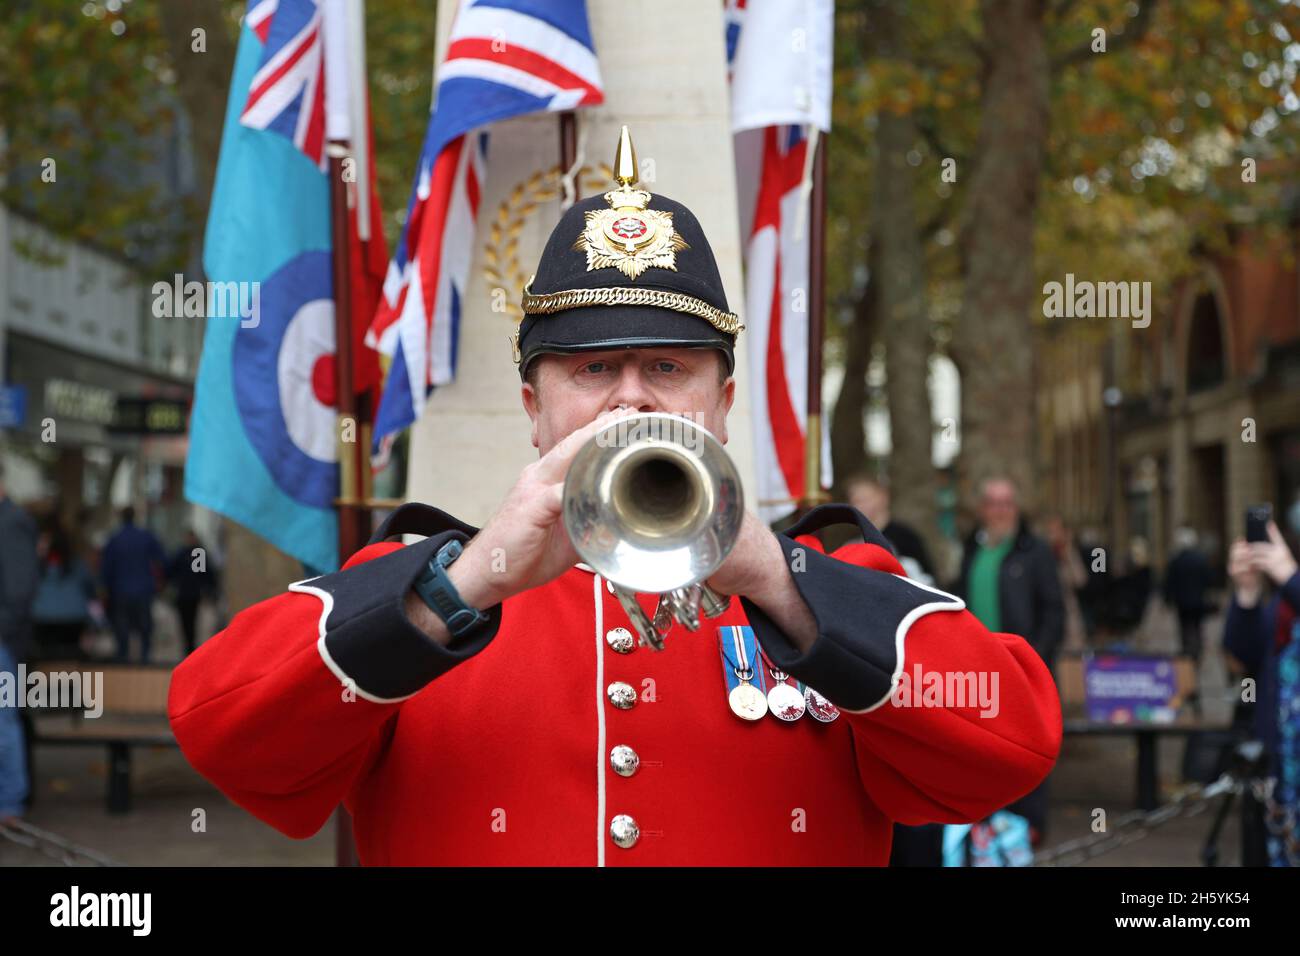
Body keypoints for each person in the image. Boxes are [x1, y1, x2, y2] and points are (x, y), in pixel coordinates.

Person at [168, 129, 1062, 865]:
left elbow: (1013, 741)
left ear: (721, 403)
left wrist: (778, 580)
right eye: (593, 369)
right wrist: (464, 584)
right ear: (534, 406)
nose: (631, 397)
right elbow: (222, 734)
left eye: (667, 368)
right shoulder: (419, 592)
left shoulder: (829, 580)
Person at [953, 477, 1064, 844]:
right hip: (977, 672)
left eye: (1007, 504)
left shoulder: (1034, 552)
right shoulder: (972, 549)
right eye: (992, 503)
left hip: (1023, 673)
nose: (1000, 511)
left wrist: (1036, 661)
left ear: (1016, 509)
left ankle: (1028, 828)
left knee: (1026, 751)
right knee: (983, 751)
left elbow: (1054, 612)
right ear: (982, 510)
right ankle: (986, 829)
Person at [1223, 517, 1300, 867]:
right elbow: (1243, 654)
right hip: (1280, 776)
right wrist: (1247, 591)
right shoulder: (1284, 605)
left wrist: (1291, 579)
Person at [0, 462, 39, 826]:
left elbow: (20, 589)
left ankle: (9, 804)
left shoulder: (11, 523)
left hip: (3, 642)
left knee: (3, 722)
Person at [845, 476, 939, 586]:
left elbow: (927, 581)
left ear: (884, 497)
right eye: (856, 501)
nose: (861, 505)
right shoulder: (853, 544)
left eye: (866, 499)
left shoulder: (906, 538)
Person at [100, 506, 165, 663]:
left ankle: (123, 657)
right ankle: (144, 658)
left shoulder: (114, 539)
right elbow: (162, 559)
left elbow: (106, 567)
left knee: (122, 626)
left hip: (120, 589)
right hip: (143, 589)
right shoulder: (146, 536)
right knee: (144, 627)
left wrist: (104, 587)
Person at [30, 522, 97, 660]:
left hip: (42, 619)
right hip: (75, 620)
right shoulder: (77, 565)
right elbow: (91, 590)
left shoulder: (36, 567)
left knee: (43, 654)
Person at [1163, 526, 1215, 664]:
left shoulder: (1177, 560)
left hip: (1182, 601)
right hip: (1198, 600)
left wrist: (1167, 599)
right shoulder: (1200, 559)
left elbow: (1170, 581)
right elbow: (1209, 579)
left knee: (1184, 626)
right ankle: (1196, 651)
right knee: (1197, 626)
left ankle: (1187, 651)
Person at [167, 529, 217, 658]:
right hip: (185, 594)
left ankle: (190, 649)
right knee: (186, 624)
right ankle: (189, 649)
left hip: (191, 594)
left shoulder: (192, 553)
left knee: (191, 623)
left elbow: (203, 574)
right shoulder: (187, 553)